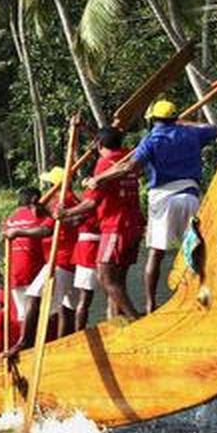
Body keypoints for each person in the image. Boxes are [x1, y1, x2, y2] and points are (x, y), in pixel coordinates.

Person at [87, 101, 217, 313]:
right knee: (195, 249)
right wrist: (182, 122)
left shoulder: (152, 138)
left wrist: (99, 178)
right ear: (174, 118)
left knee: (156, 253)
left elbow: (130, 167)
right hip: (191, 196)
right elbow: (214, 129)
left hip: (164, 198)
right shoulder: (191, 134)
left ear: (153, 120)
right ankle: (201, 293)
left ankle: (150, 304)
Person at [64, 127, 144, 320]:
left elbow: (91, 203)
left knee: (105, 277)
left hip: (116, 226)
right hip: (134, 225)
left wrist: (65, 213)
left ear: (100, 145)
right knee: (118, 280)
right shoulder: (129, 159)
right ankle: (119, 320)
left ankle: (135, 320)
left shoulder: (105, 163)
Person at [2, 187, 51, 357]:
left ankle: (24, 346)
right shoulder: (38, 215)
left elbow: (3, 236)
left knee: (24, 314)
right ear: (35, 199)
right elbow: (47, 230)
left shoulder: (11, 218)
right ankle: (30, 344)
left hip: (14, 272)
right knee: (43, 310)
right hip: (33, 269)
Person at [34, 166, 79, 339]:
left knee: (36, 297)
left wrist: (16, 232)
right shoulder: (70, 199)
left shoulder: (63, 201)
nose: (48, 189)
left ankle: (35, 341)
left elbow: (46, 229)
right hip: (70, 260)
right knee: (66, 309)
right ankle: (65, 341)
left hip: (61, 259)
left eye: (51, 185)